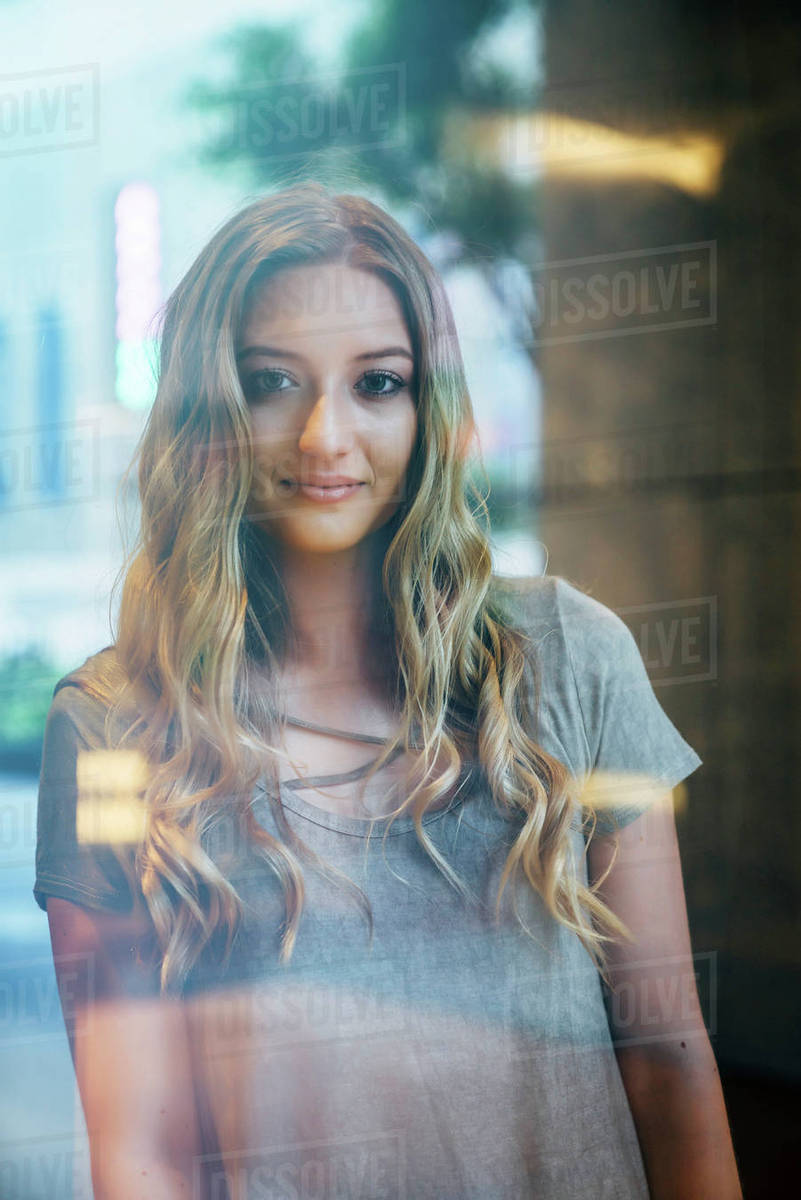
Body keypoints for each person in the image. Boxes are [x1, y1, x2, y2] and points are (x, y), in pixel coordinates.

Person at [34, 181, 742, 1199]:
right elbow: (145, 1156)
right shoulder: (111, 725)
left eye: (377, 384)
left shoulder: (569, 659)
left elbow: (670, 1063)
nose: (326, 436)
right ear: (210, 409)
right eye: (273, 381)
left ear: (428, 406)